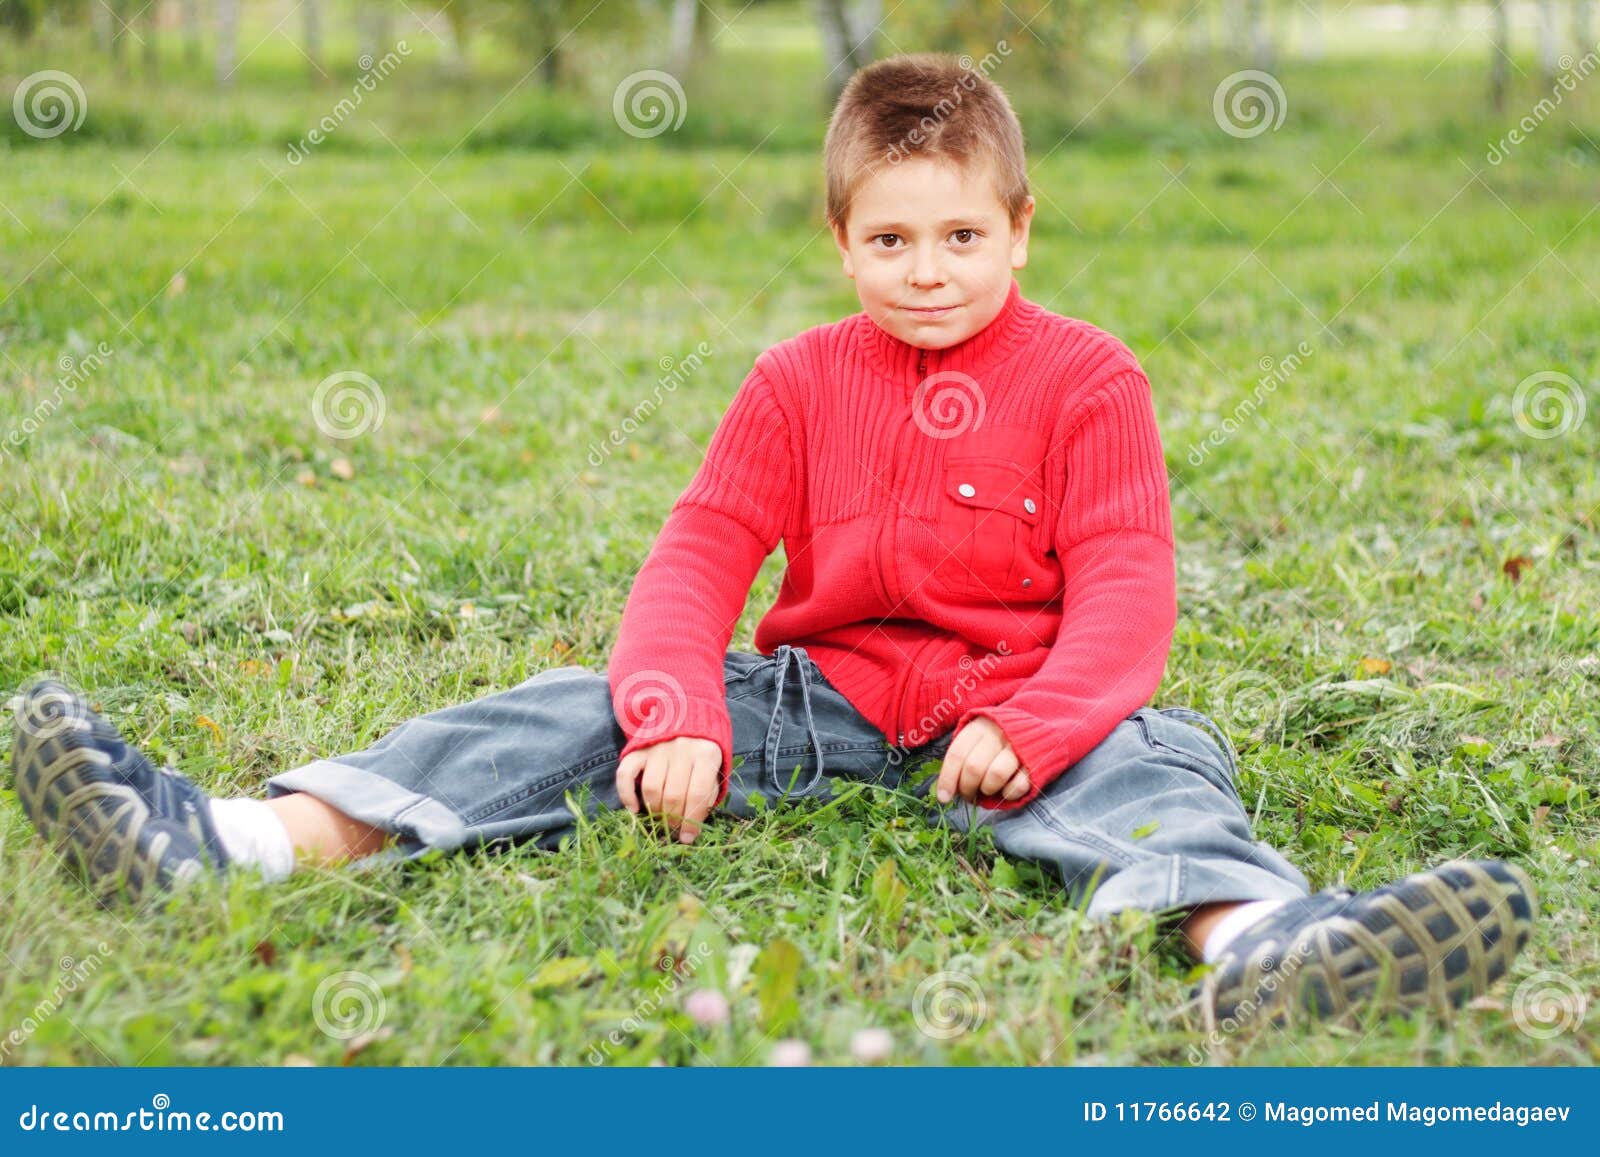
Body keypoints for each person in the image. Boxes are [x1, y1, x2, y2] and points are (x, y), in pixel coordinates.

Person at [6, 53, 1533, 1031]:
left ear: (1020, 230)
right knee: (560, 711)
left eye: (959, 238)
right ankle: (237, 842)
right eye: (888, 239)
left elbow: (1130, 591)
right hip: (823, 702)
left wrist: (1044, 716)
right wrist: (673, 713)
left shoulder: (1089, 378)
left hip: (1031, 704)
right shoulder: (798, 382)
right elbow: (696, 560)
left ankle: (1267, 947)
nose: (925, 273)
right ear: (839, 238)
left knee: (1156, 769)